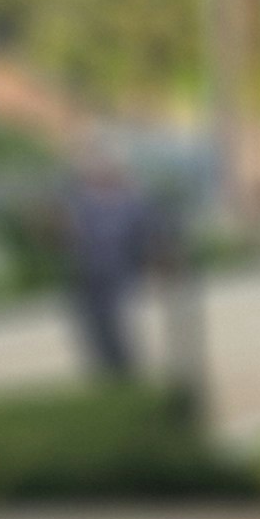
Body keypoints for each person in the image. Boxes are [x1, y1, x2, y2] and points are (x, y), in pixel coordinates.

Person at [62, 146, 156, 384]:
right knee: (91, 325)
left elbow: (145, 235)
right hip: (86, 273)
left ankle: (124, 370)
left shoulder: (131, 201)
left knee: (114, 322)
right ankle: (105, 372)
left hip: (118, 270)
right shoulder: (82, 201)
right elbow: (69, 237)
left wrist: (148, 265)